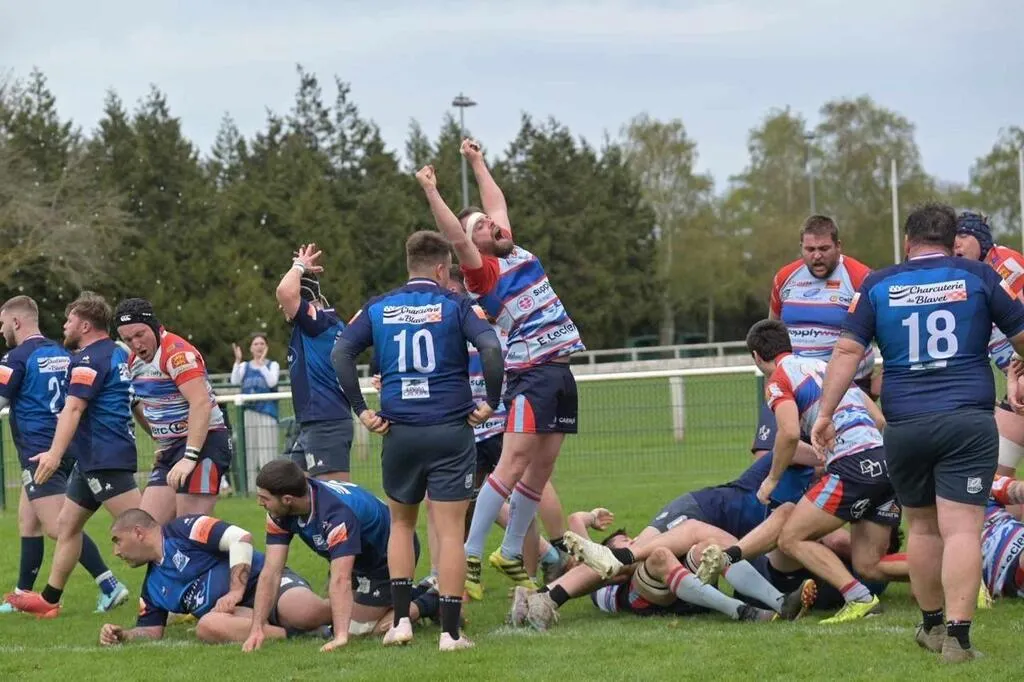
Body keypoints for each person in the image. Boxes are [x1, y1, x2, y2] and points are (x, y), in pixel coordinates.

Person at [811, 202, 1024, 662]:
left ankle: (930, 626)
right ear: (952, 242)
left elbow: (847, 351)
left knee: (924, 528)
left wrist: (825, 413)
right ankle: (959, 640)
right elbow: (1021, 334)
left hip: (905, 425)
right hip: (967, 421)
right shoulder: (978, 276)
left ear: (908, 243)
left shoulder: (878, 283)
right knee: (963, 528)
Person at [417, 141, 585, 598]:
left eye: (490, 223)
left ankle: (510, 551)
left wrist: (477, 162)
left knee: (539, 470)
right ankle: (472, 550)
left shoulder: (515, 249)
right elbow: (454, 234)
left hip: (561, 373)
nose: (492, 224)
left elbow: (496, 202)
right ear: (475, 245)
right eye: (482, 228)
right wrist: (433, 192)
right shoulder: (482, 272)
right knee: (511, 464)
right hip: (531, 373)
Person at [332, 230, 503, 651]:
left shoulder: (378, 307)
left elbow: (340, 353)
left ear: (409, 265)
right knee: (448, 533)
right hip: (450, 430)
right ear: (443, 269)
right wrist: (491, 402)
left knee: (401, 524)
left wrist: (362, 410)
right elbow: (492, 350)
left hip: (400, 432)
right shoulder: (456, 304)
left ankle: (400, 624)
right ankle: (449, 633)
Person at [746, 319, 907, 624]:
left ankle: (859, 598)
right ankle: (959, 572)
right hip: (884, 460)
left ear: (756, 356)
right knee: (868, 564)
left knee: (791, 538)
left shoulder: (778, 379)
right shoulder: (824, 367)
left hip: (853, 467)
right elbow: (880, 420)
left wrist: (772, 479)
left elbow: (789, 433)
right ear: (788, 345)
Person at [7, 293, 140, 618]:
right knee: (62, 526)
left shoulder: (84, 360)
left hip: (93, 456)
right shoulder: (103, 354)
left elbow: (74, 407)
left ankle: (168, 589)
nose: (64, 325)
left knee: (142, 530)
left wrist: (54, 453)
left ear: (83, 324)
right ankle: (47, 598)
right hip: (83, 457)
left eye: (68, 320)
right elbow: (134, 401)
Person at [242, 460, 439, 654]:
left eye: (264, 498)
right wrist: (257, 628)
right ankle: (398, 598)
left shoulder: (336, 514)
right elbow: (271, 571)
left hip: (387, 557)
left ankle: (428, 599)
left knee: (361, 630)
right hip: (355, 556)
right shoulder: (280, 512)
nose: (260, 503)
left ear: (287, 499)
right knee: (319, 615)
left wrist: (341, 637)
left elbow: (341, 578)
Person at [99, 508, 330, 646]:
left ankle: (357, 611)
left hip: (267, 584)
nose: (116, 552)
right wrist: (124, 635)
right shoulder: (152, 587)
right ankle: (299, 635)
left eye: (117, 541)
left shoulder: (184, 529)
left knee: (304, 611)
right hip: (240, 615)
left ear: (138, 532)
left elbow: (241, 537)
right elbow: (151, 631)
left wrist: (236, 591)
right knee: (207, 626)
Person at [114, 298, 232, 525]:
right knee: (146, 533)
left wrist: (189, 456)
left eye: (140, 334)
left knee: (190, 535)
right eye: (127, 339)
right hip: (173, 449)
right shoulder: (133, 360)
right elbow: (142, 404)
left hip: (204, 444)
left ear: (156, 327)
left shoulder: (178, 354)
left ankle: (240, 550)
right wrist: (162, 441)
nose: (136, 344)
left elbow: (201, 403)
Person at [953, 211, 1024, 478]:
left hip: (1021, 377)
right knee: (997, 474)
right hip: (1016, 383)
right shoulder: (974, 274)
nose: (956, 243)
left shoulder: (1004, 264)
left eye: (962, 234)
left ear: (981, 240)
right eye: (952, 237)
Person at [276, 243, 352, 482]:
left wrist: (298, 267)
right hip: (314, 422)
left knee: (334, 500)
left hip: (326, 422)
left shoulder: (316, 323)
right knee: (287, 491)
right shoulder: (323, 323)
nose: (281, 308)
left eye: (285, 306)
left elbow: (285, 292)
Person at [231, 333, 281, 491]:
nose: (259, 347)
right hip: (249, 413)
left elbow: (272, 381)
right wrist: (237, 361)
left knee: (267, 451)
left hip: (267, 413)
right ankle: (251, 489)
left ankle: (271, 487)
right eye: (256, 344)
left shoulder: (272, 365)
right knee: (249, 452)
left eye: (262, 344)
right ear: (251, 348)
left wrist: (261, 364)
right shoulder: (245, 366)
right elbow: (235, 380)